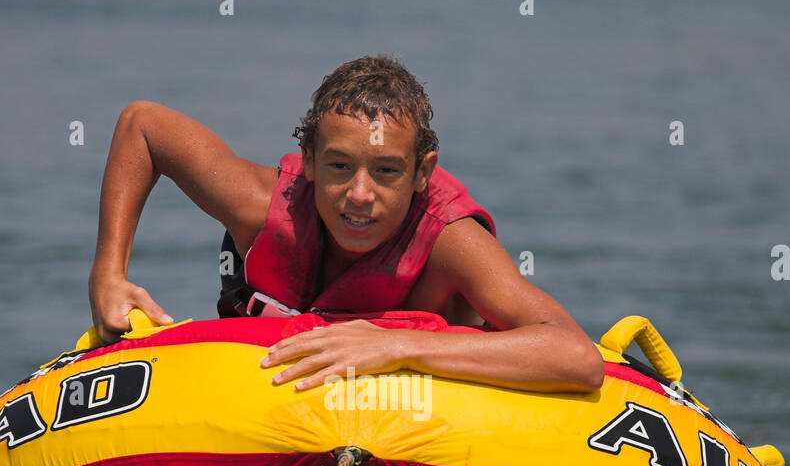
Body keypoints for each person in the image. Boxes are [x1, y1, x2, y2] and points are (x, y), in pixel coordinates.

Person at [87, 55, 604, 393]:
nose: (360, 195)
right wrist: (109, 274)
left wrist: (396, 346)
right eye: (339, 167)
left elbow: (577, 357)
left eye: (386, 171)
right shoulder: (267, 207)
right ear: (308, 160)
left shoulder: (448, 240)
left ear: (422, 172)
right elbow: (144, 126)